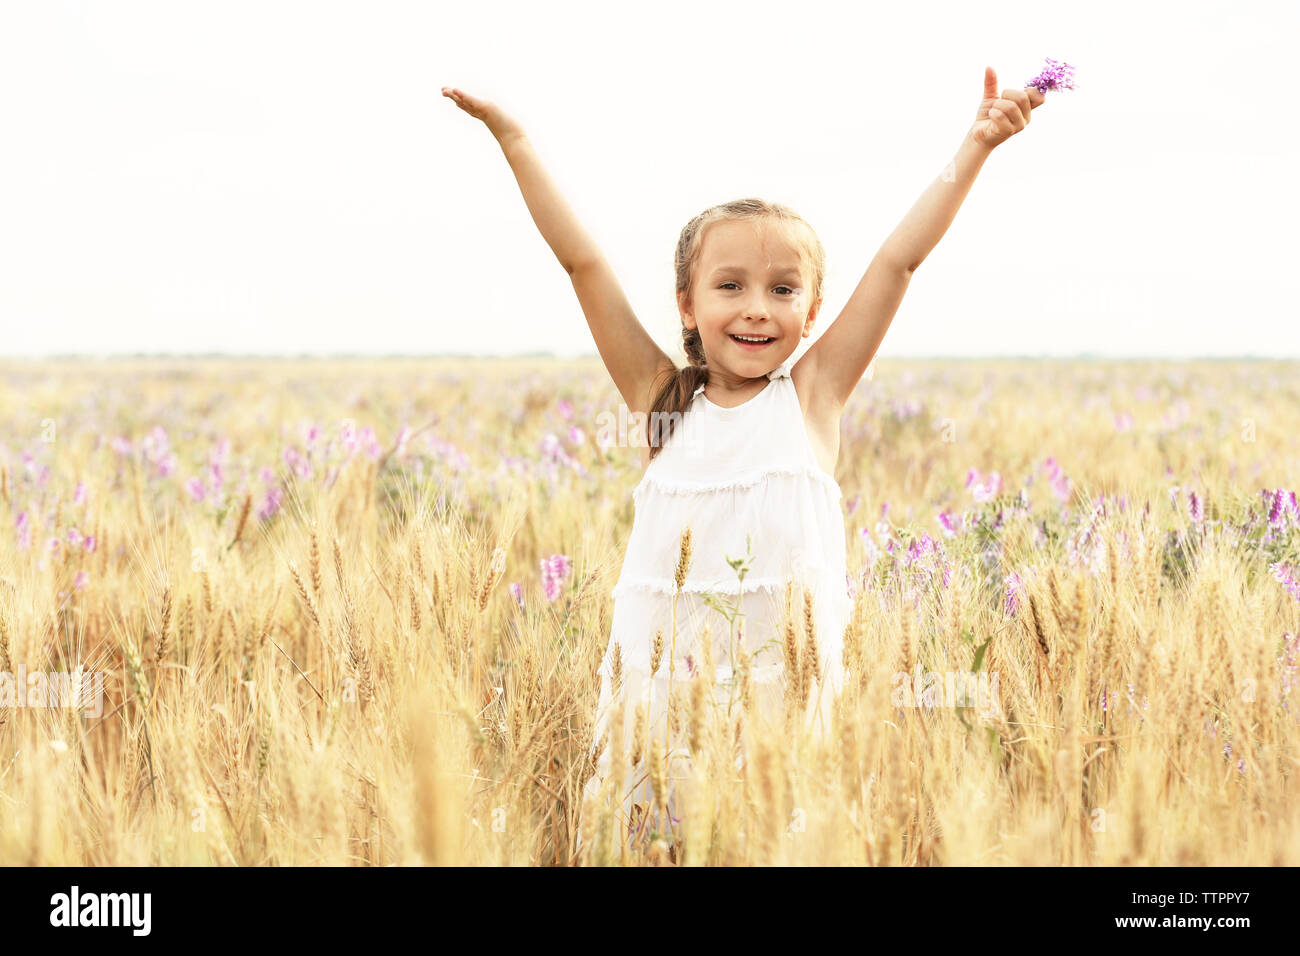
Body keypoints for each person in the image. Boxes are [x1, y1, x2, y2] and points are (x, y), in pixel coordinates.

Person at [442, 70, 1045, 856]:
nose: (757, 307)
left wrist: (977, 145)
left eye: (783, 288)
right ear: (687, 304)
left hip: (781, 702)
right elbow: (582, 264)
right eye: (730, 286)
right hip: (663, 700)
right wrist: (515, 140)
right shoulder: (661, 400)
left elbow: (898, 261)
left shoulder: (813, 397)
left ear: (813, 311)